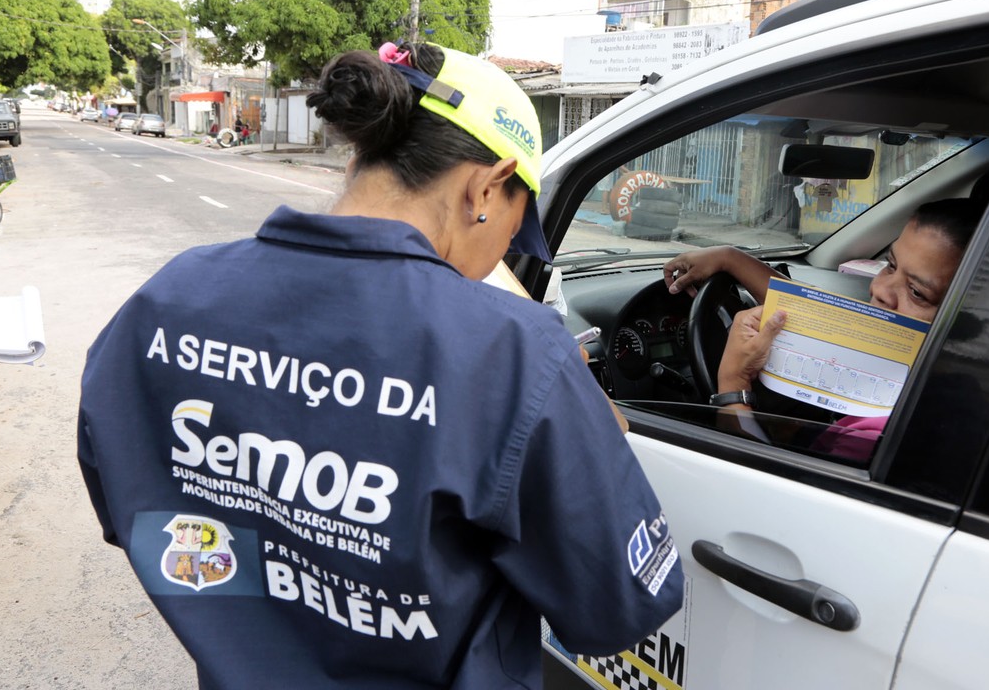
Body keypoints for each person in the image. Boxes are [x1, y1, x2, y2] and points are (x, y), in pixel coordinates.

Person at [78, 42, 683, 690]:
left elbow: (125, 495)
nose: (505, 249)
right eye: (513, 227)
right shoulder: (511, 353)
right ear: (485, 187)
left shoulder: (172, 296)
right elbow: (621, 604)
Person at [666, 198, 983, 461]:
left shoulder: (878, 437)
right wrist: (729, 258)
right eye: (890, 265)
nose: (882, 289)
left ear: (963, 319)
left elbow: (770, 499)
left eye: (916, 293)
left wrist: (733, 387)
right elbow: (815, 317)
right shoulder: (956, 386)